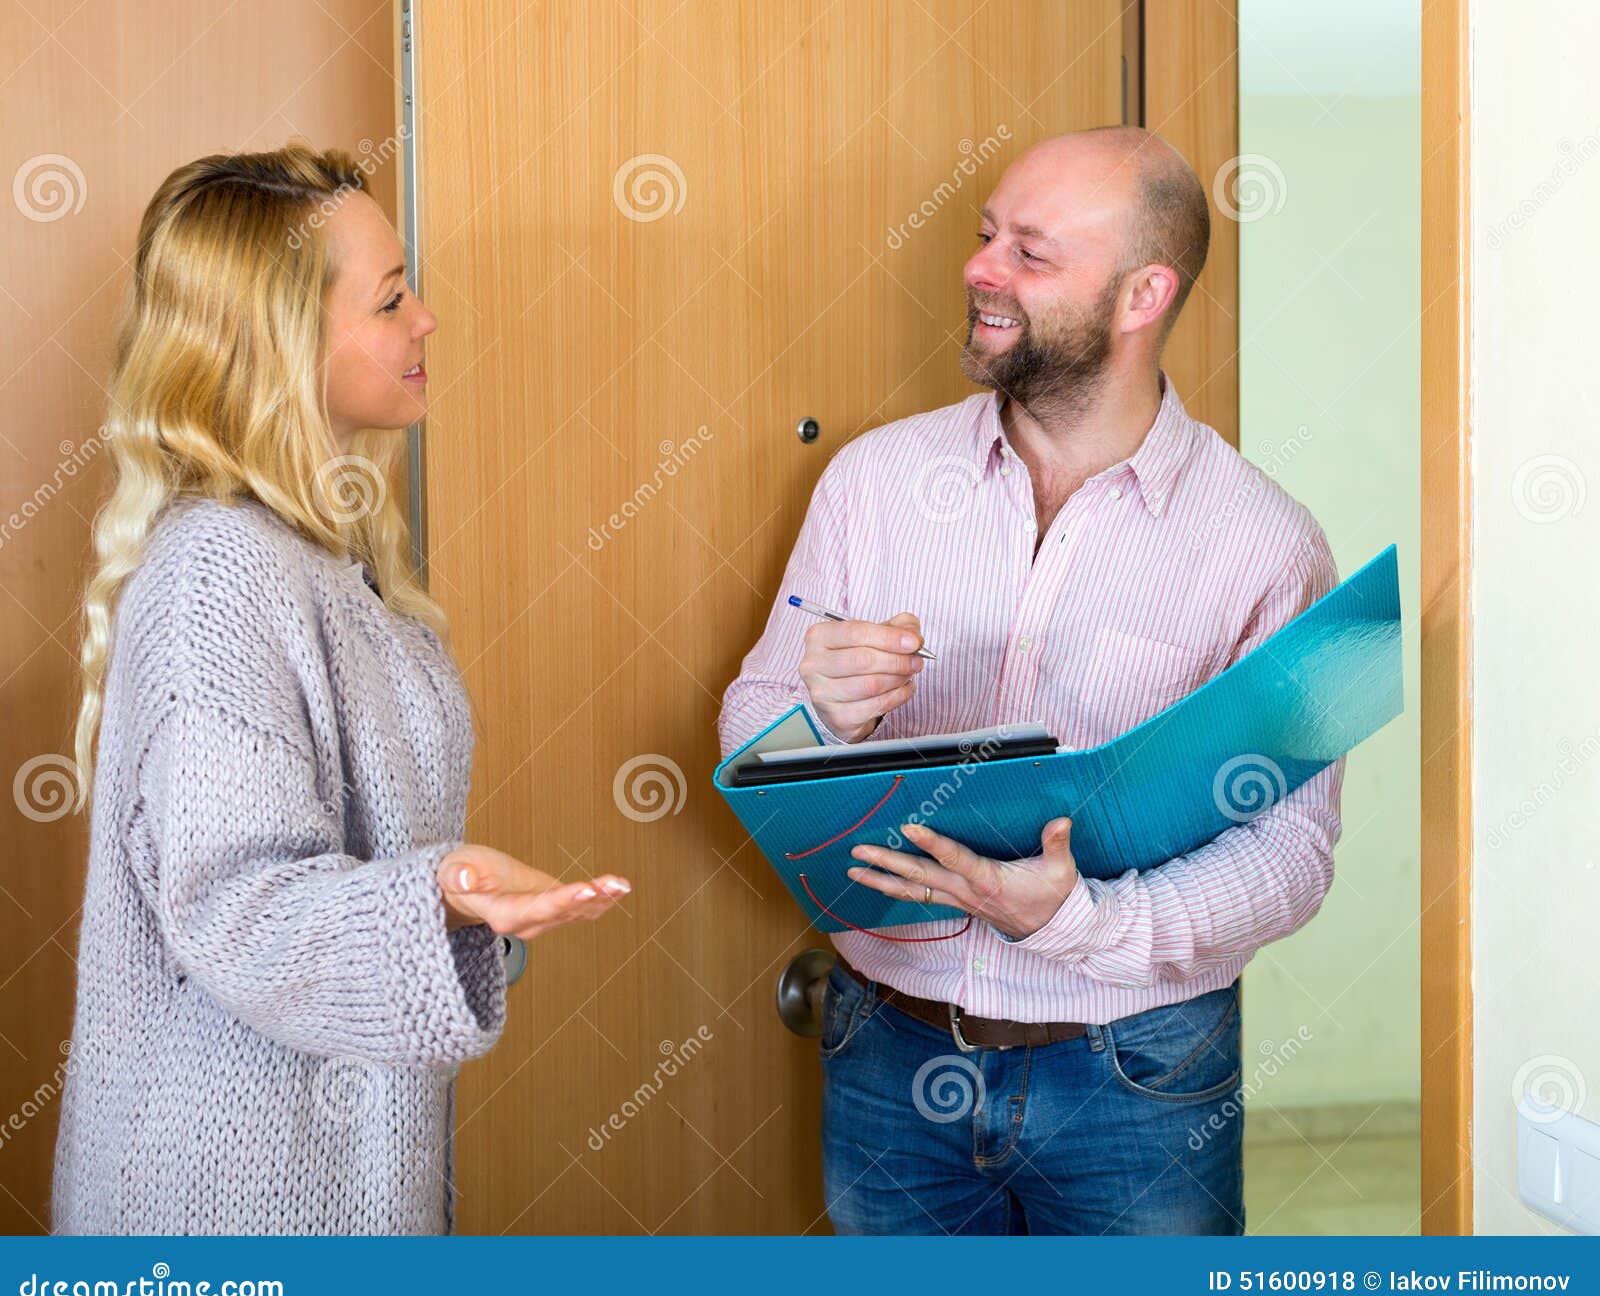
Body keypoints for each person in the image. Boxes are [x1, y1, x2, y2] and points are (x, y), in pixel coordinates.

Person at [717, 126, 1344, 1235]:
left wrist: (1083, 922)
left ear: (1143, 292)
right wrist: (817, 713)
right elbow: (754, 715)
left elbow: (1290, 855)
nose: (978, 268)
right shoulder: (873, 482)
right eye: (983, 236)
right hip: (886, 1058)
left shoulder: (1265, 545)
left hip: (1138, 1084)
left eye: (1031, 253)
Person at [52, 144, 632, 1235]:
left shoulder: (323, 553)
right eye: (393, 298)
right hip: (228, 1209)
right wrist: (443, 895)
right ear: (281, 340)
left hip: (337, 1172)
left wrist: (453, 909)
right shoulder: (222, 571)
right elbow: (238, 905)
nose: (427, 323)